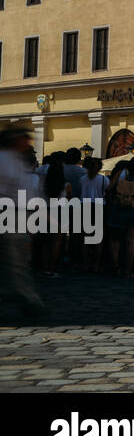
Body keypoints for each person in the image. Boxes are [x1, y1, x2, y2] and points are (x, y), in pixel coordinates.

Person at [0, 126, 45, 316]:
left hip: (19, 215)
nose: (28, 142)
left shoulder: (18, 161)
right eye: (24, 139)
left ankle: (19, 296)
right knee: (15, 261)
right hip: (8, 214)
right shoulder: (3, 159)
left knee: (15, 260)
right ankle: (30, 300)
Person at [37, 152, 72, 276]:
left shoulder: (43, 184)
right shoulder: (66, 185)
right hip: (60, 212)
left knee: (45, 242)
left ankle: (44, 267)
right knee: (56, 243)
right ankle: (52, 268)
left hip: (45, 211)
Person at [78, 158, 110, 273]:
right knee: (97, 238)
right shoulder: (103, 179)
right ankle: (96, 264)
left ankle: (86, 263)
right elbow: (107, 193)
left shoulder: (82, 179)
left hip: (85, 206)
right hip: (99, 206)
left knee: (86, 237)